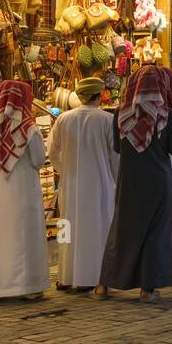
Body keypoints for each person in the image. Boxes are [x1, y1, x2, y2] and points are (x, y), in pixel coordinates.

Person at [96, 65, 172, 303]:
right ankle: (147, 289)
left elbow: (117, 147)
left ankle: (103, 286)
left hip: (129, 182)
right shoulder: (165, 115)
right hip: (158, 183)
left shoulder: (121, 113)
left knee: (121, 230)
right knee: (155, 233)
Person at [0, 80, 49, 302]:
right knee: (24, 236)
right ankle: (28, 287)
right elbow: (39, 160)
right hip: (24, 194)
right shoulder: (30, 129)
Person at [49, 76, 118, 292]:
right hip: (100, 185)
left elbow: (52, 152)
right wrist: (114, 180)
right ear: (99, 95)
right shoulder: (107, 120)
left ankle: (66, 277)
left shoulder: (63, 119)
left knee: (68, 230)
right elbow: (115, 157)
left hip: (70, 185)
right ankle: (96, 278)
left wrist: (66, 170)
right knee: (98, 230)